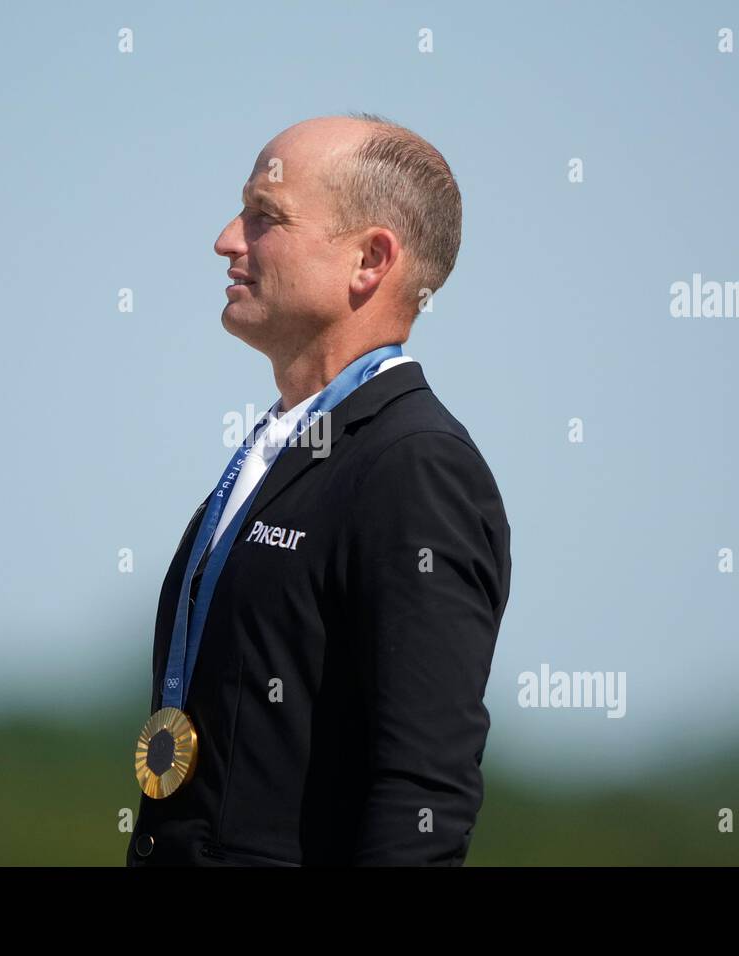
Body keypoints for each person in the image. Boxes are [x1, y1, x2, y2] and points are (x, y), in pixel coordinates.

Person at [127, 113, 512, 866]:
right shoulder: (285, 445)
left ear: (371, 259)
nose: (227, 240)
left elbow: (423, 791)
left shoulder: (416, 466)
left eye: (264, 216)